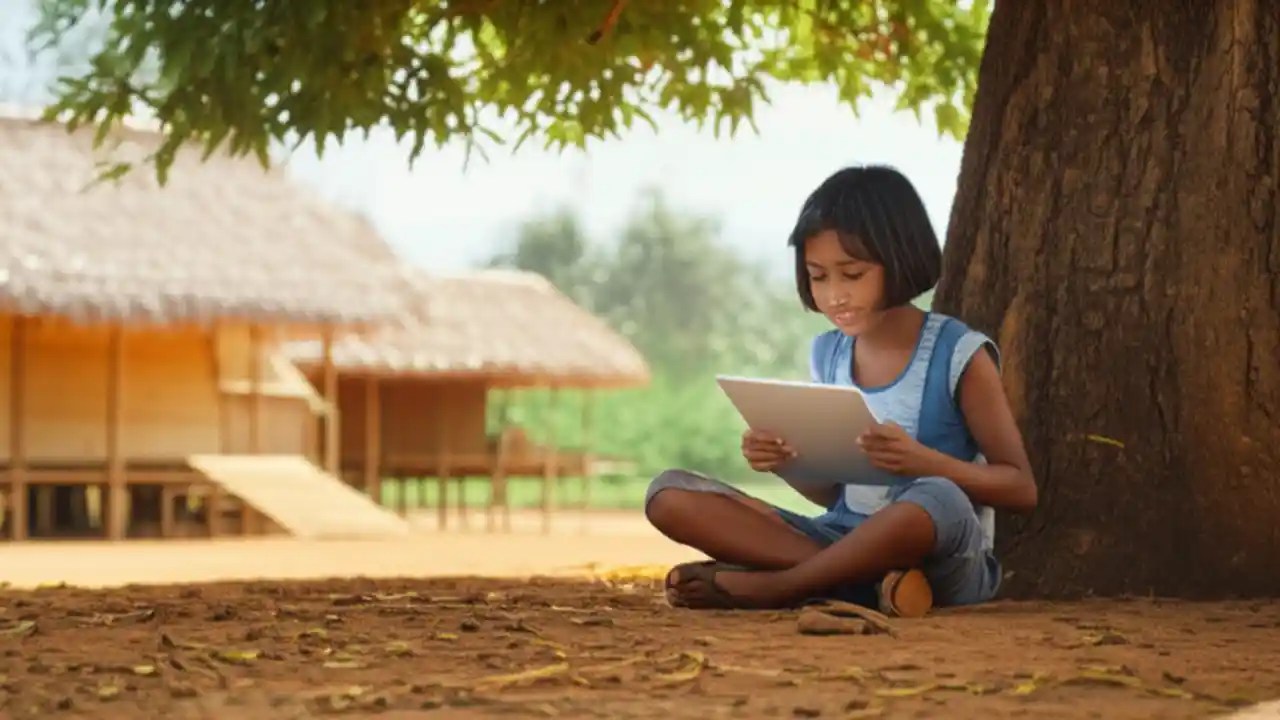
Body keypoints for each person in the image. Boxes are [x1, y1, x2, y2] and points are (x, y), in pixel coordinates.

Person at [643, 165, 1038, 617]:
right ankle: (867, 586)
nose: (834, 296)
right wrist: (786, 464)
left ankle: (784, 587)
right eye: (818, 276)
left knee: (937, 494)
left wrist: (927, 463)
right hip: (843, 535)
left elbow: (1021, 488)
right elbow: (836, 496)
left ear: (901, 258)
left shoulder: (958, 354)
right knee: (669, 493)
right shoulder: (828, 354)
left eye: (851, 275)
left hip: (941, 555)